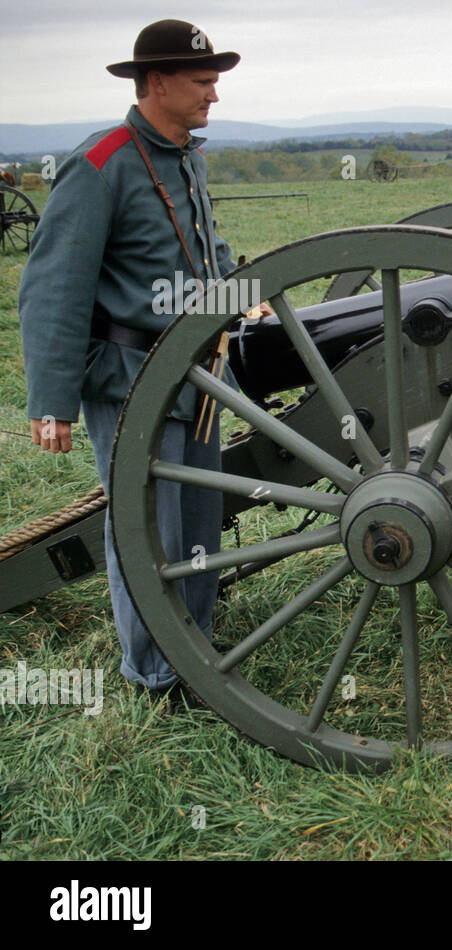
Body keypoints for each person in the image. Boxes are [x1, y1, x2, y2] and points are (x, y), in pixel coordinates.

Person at [20, 19, 242, 697]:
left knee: (200, 525)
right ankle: (155, 672)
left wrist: (243, 292)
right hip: (132, 379)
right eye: (202, 83)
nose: (213, 95)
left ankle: (193, 650)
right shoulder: (102, 163)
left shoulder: (186, 155)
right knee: (151, 535)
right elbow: (54, 290)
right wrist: (51, 402)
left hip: (198, 375)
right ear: (157, 82)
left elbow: (207, 252)